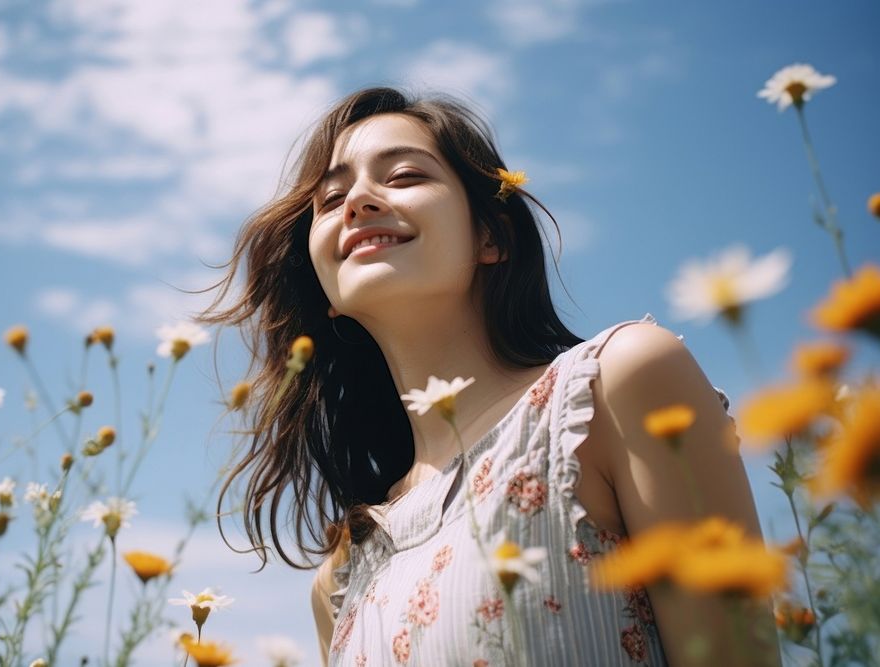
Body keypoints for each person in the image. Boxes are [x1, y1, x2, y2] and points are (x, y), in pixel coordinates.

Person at [203, 87, 779, 666]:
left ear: (492, 237)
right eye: (330, 199)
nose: (357, 201)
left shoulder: (614, 386)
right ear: (325, 290)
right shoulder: (340, 579)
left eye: (403, 175)